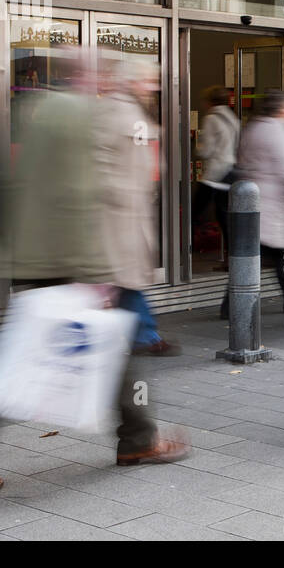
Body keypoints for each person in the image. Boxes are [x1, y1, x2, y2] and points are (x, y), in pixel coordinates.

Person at [0, 51, 189, 495]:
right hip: (76, 257)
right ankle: (135, 440)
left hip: (35, 250)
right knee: (91, 344)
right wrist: (98, 268)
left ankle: (135, 438)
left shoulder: (36, 110)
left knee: (42, 347)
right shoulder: (90, 117)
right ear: (89, 75)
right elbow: (88, 192)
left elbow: (11, 179)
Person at [98, 60, 178, 357]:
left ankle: (142, 334)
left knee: (125, 279)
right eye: (148, 81)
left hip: (130, 213)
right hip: (117, 215)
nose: (154, 87)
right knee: (123, 278)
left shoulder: (132, 110)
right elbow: (100, 160)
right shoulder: (114, 109)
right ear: (132, 81)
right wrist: (118, 194)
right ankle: (143, 335)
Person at [236, 89, 284, 310]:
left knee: (249, 257)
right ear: (282, 109)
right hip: (277, 203)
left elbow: (241, 162)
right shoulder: (282, 132)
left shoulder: (253, 128)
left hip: (252, 202)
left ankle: (232, 302)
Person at [196, 86, 240, 318]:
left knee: (195, 215)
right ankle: (231, 258)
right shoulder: (233, 117)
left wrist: (199, 148)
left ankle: (181, 255)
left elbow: (206, 150)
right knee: (225, 218)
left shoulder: (212, 118)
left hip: (214, 175)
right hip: (230, 173)